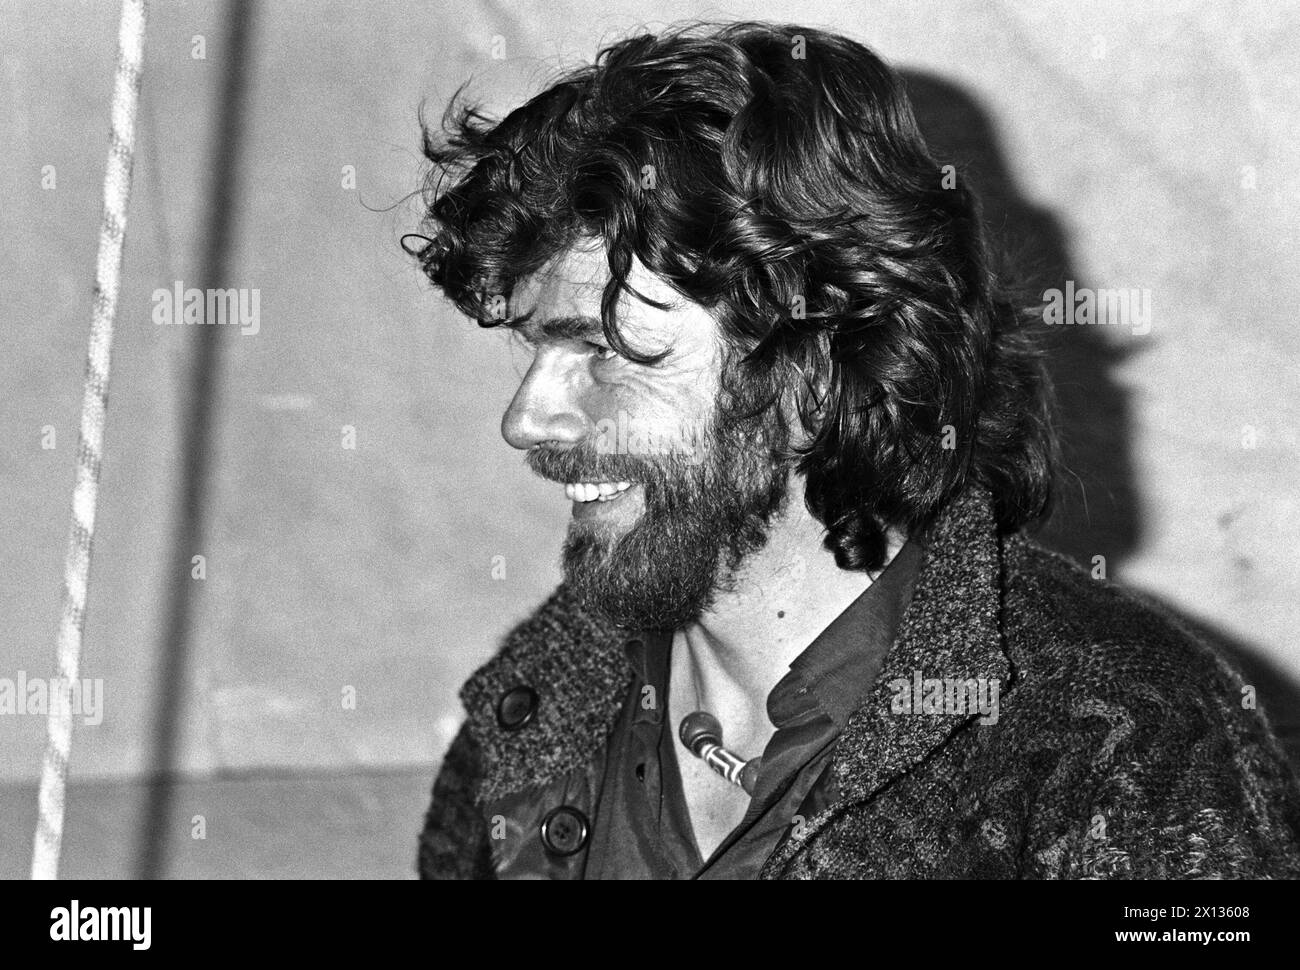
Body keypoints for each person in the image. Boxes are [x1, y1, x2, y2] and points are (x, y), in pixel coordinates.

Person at [408, 21, 1300, 879]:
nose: (526, 419)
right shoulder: (534, 706)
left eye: (601, 351)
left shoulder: (1128, 745)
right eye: (535, 350)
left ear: (820, 368)